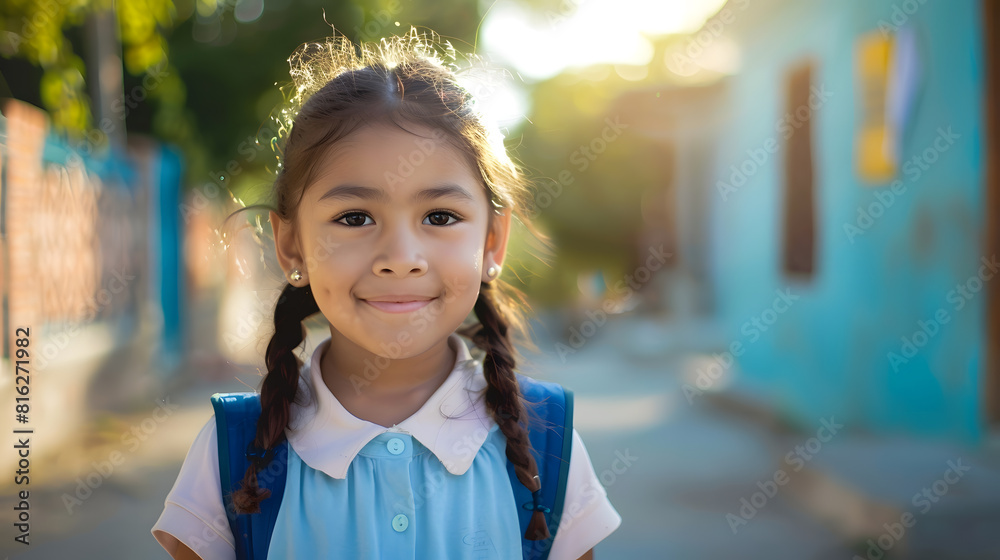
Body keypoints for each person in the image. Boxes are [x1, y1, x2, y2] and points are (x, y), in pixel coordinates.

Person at [151, 28, 621, 560]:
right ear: (292, 246)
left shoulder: (546, 445)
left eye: (440, 217)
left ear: (493, 241)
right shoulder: (231, 453)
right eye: (355, 217)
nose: (400, 256)